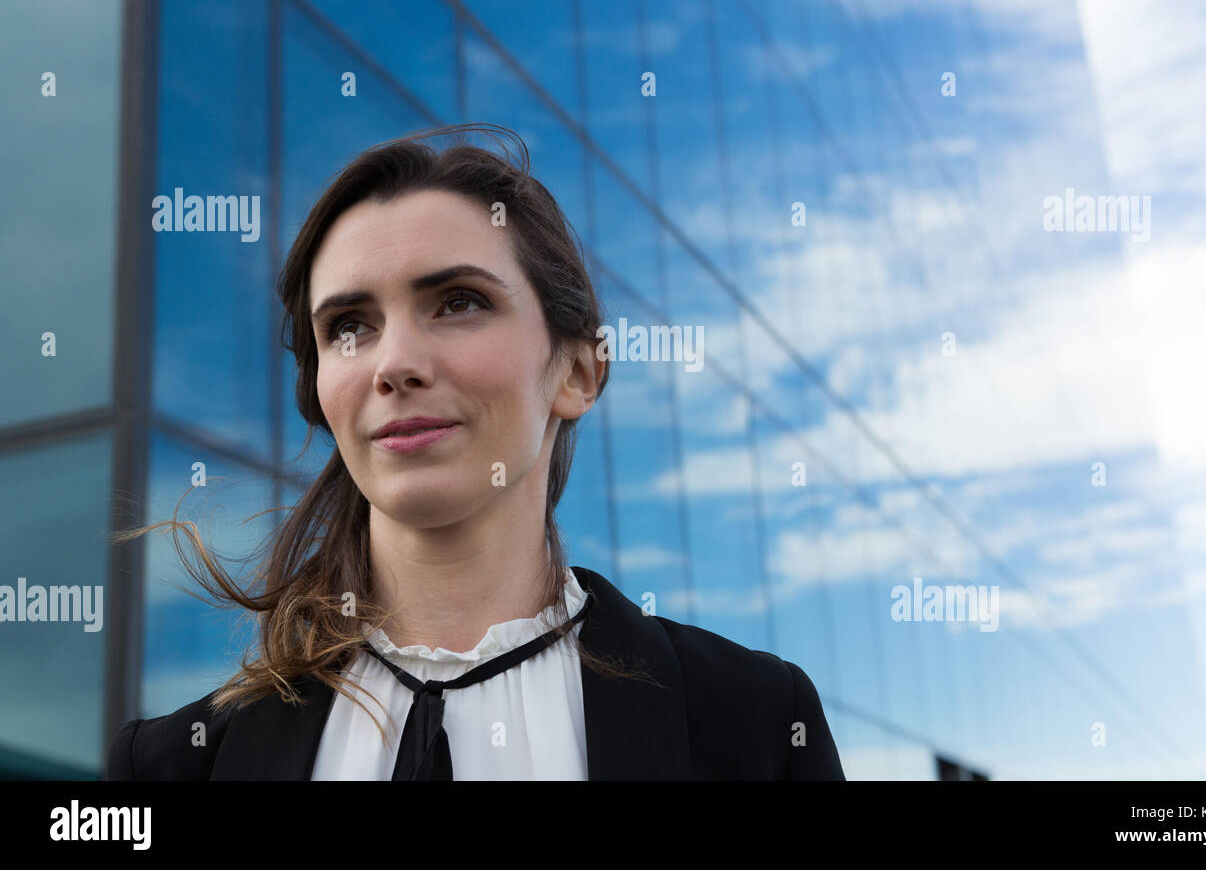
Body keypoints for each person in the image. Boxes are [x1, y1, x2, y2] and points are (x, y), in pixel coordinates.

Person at [107, 124, 845, 780]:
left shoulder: (755, 724)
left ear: (580, 371)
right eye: (349, 327)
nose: (393, 362)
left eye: (459, 301)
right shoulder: (176, 764)